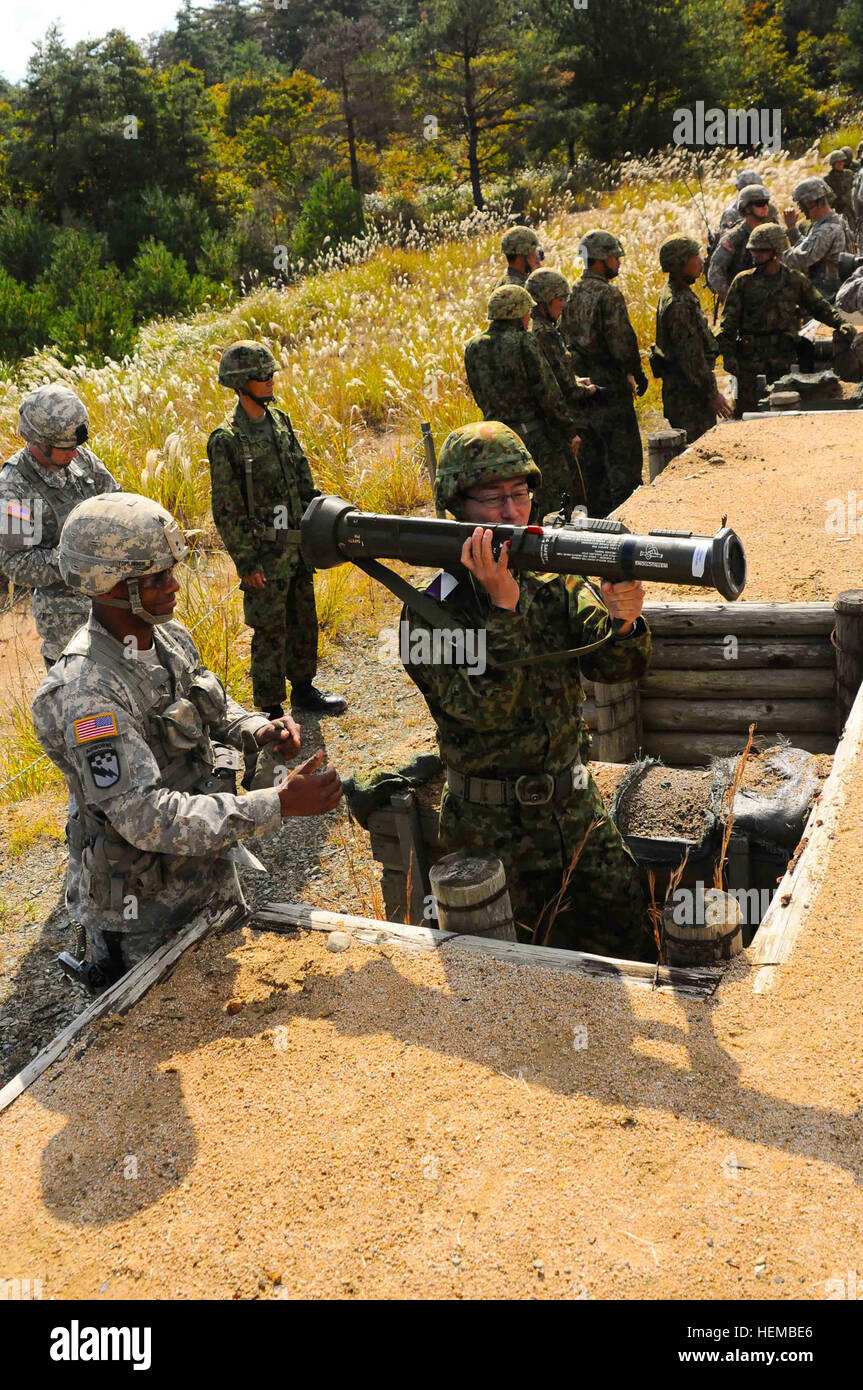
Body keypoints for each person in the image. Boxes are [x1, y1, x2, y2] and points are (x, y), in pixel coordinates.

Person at [31, 492, 343, 986]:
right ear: (109, 585)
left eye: (172, 569)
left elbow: (209, 707)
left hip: (207, 873)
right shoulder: (87, 693)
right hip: (143, 915)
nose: (173, 584)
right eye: (156, 577)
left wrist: (257, 727)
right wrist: (275, 804)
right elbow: (143, 817)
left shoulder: (167, 635)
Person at [399, 420, 654, 959]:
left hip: (576, 815)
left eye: (520, 494)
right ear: (458, 505)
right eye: (492, 498)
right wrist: (503, 608)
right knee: (511, 981)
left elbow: (615, 668)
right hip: (492, 836)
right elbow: (484, 709)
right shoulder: (429, 609)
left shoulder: (554, 578)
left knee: (633, 945)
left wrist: (624, 622)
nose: (511, 512)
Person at [207, 340, 345, 719]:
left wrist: (322, 522)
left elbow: (303, 478)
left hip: (297, 545)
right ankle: (270, 711)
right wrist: (246, 563)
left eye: (271, 374)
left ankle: (303, 689)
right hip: (264, 553)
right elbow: (226, 508)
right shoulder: (228, 439)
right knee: (269, 631)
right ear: (239, 383)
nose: (269, 381)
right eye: (260, 376)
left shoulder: (280, 422)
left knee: (303, 619)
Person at [0, 385, 119, 669]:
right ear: (39, 442)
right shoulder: (14, 490)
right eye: (65, 449)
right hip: (66, 621)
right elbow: (16, 563)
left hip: (112, 602)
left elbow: (116, 501)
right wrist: (75, 559)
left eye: (75, 447)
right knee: (85, 708)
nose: (72, 455)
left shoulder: (81, 461)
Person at [464, 285, 582, 522]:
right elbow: (548, 392)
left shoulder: (473, 347)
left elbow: (478, 394)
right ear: (517, 313)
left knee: (509, 506)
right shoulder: (523, 342)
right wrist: (569, 431)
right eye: (527, 311)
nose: (529, 317)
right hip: (535, 438)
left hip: (495, 439)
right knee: (552, 502)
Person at [716, 223, 855, 416]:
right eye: (753, 251)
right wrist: (729, 357)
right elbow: (727, 326)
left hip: (784, 361)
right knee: (748, 415)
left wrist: (841, 323)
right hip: (750, 364)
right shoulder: (743, 282)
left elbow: (819, 307)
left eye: (761, 251)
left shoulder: (794, 280)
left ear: (776, 252)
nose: (754, 256)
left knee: (784, 409)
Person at [559, 230, 646, 513]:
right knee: (625, 462)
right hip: (611, 391)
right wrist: (636, 373)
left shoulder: (569, 294)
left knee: (593, 467)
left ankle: (597, 525)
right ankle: (630, 519)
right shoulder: (609, 294)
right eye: (614, 257)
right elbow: (622, 341)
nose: (618, 262)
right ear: (600, 260)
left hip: (582, 391)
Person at [524, 266, 604, 515]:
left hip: (552, 424)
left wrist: (575, 381)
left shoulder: (540, 330)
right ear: (544, 301)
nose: (563, 304)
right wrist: (585, 390)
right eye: (560, 299)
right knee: (567, 493)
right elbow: (555, 387)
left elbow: (557, 377)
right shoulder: (544, 334)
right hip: (556, 427)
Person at [654, 237, 733, 443]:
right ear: (680, 263)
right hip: (689, 397)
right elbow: (691, 358)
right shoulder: (678, 303)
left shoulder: (680, 295)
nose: (701, 261)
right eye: (694, 256)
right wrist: (712, 394)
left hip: (688, 393)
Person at [783, 178, 848, 302]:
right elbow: (810, 247)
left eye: (801, 204)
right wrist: (792, 230)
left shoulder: (827, 230)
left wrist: (774, 250)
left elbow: (799, 259)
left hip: (827, 296)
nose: (801, 209)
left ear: (810, 203)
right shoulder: (836, 221)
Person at [707, 185, 774, 303]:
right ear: (747, 208)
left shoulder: (770, 233)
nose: (765, 207)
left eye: (766, 203)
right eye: (759, 203)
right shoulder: (733, 238)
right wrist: (733, 300)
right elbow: (714, 273)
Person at [825, 150, 855, 222]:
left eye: (842, 161)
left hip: (851, 208)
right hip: (837, 210)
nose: (841, 163)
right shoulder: (827, 179)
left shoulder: (849, 174)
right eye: (838, 162)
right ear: (833, 163)